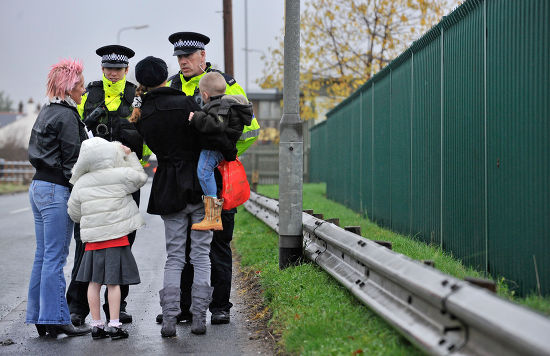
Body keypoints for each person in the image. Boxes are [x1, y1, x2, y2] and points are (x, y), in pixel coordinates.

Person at [156, 31, 259, 326]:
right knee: (184, 247)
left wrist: (225, 150)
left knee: (218, 244)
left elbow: (251, 129)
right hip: (183, 182)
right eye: (179, 57)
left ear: (203, 56)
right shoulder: (172, 86)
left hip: (217, 177)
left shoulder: (225, 83)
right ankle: (184, 307)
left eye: (188, 56)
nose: (183, 61)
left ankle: (219, 306)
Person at [129, 56, 213, 337]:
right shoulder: (186, 103)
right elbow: (205, 137)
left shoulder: (142, 114)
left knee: (174, 256)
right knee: (201, 255)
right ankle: (200, 318)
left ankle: (169, 320)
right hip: (203, 186)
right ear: (167, 75)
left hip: (168, 187)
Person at [67, 44, 146, 326]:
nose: (113, 73)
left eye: (118, 69)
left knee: (122, 242)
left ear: (126, 70)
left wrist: (137, 147)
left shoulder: (138, 96)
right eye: (108, 68)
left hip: (124, 179)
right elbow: (73, 127)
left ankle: (117, 306)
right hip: (94, 182)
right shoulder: (88, 95)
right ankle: (76, 306)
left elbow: (147, 137)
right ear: (102, 69)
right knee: (85, 241)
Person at [26, 58, 91, 338]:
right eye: (80, 86)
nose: (83, 91)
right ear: (69, 87)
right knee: (55, 257)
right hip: (56, 191)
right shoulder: (66, 115)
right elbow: (72, 162)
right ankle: (56, 318)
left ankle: (42, 318)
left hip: (38, 186)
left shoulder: (47, 110)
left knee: (42, 256)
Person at [67, 137, 147, 340]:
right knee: (113, 284)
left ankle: (96, 325)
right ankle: (114, 324)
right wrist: (128, 156)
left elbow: (74, 214)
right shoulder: (119, 175)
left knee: (93, 283)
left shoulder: (81, 183)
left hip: (93, 241)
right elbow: (140, 178)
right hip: (116, 239)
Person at [188, 71, 253, 231]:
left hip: (214, 148)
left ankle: (212, 216)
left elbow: (216, 125)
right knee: (205, 172)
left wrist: (195, 117)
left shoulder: (218, 106)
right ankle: (212, 215)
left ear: (204, 94)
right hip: (220, 147)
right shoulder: (224, 104)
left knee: (203, 172)